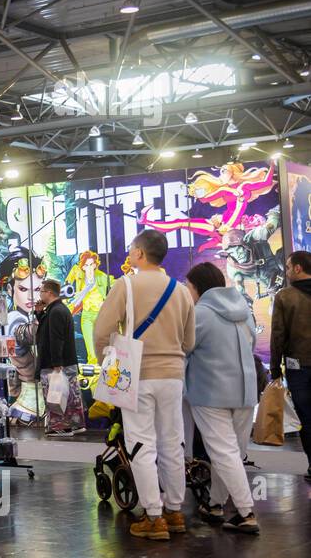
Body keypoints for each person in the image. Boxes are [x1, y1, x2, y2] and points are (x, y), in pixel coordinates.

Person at [94, 230, 195, 540]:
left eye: (130, 250)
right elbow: (189, 341)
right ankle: (175, 510)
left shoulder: (125, 285)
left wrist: (109, 362)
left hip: (136, 374)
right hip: (173, 376)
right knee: (172, 442)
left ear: (139, 253)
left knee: (140, 443)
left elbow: (101, 331)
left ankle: (153, 516)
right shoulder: (181, 291)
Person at [183, 262, 259, 534]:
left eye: (189, 286)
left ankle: (246, 512)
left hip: (209, 391)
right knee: (232, 454)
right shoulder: (243, 311)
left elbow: (185, 349)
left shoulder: (200, 314)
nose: (187, 291)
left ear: (197, 287)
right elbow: (250, 346)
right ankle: (216, 503)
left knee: (223, 453)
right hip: (246, 391)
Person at [269, 249, 311, 482]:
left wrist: (275, 370)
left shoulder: (285, 296)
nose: (285, 271)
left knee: (306, 419)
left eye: (287, 267)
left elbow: (277, 336)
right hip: (299, 366)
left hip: (298, 368)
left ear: (297, 268)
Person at [0, 248, 45, 423]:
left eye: (38, 288)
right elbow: (23, 334)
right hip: (31, 399)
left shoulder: (27, 316)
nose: (32, 296)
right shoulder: (15, 319)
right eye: (24, 288)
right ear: (10, 289)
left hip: (29, 394)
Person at [35, 279, 84, 434]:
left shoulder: (56, 312)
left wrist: (56, 363)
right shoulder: (57, 310)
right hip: (64, 362)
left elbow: (56, 339)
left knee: (55, 395)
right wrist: (39, 313)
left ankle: (61, 426)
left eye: (41, 291)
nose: (40, 294)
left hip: (55, 364)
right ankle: (74, 424)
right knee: (69, 395)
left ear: (49, 292)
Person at [64, 250, 111, 368]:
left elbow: (113, 290)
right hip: (87, 316)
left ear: (95, 265)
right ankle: (93, 378)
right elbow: (67, 282)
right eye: (86, 265)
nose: (89, 267)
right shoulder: (79, 275)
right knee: (91, 350)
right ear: (83, 267)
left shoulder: (102, 277)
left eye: (91, 264)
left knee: (103, 348)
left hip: (101, 316)